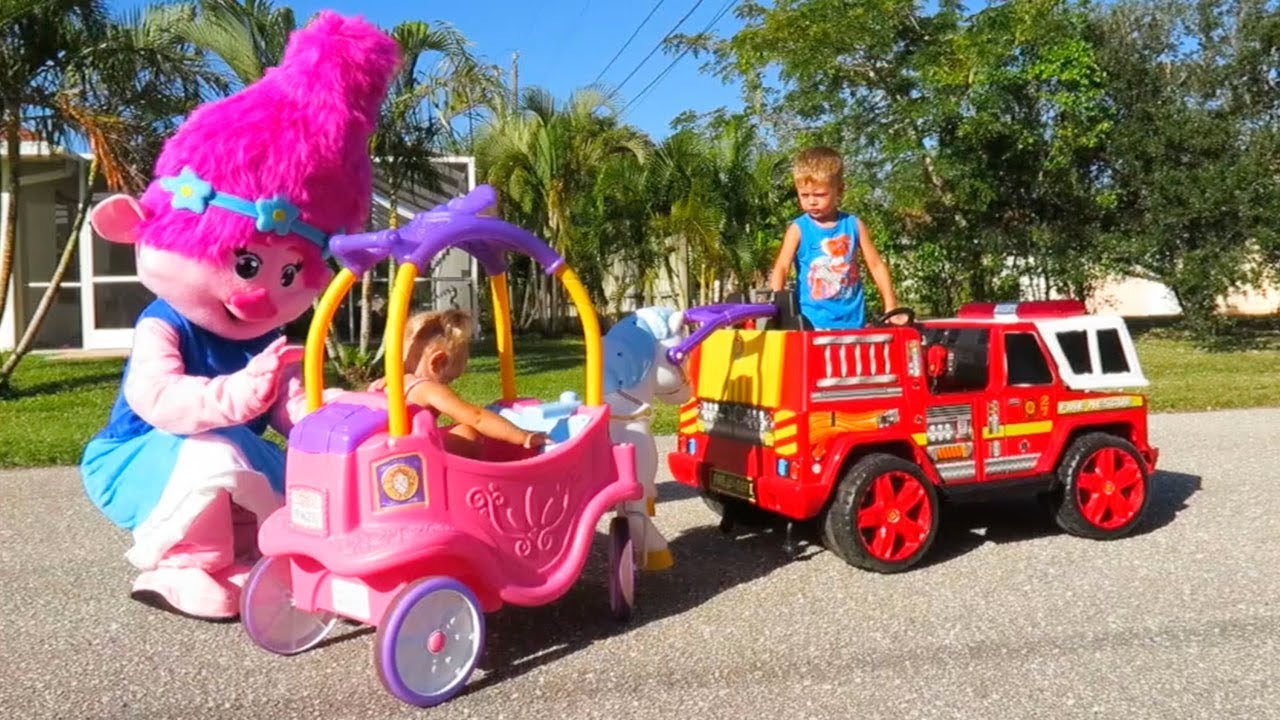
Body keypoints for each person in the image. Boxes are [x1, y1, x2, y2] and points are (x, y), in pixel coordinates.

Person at [370, 309, 547, 457]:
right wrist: (523, 436)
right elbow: (476, 417)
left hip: (379, 455)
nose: (447, 385)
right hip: (409, 461)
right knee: (468, 432)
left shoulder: (383, 384)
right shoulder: (426, 389)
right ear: (437, 362)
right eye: (448, 379)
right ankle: (473, 479)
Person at [768, 146, 903, 330]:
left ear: (839, 191)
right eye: (804, 195)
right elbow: (782, 268)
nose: (812, 201)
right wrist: (778, 308)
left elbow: (876, 265)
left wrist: (891, 305)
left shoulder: (854, 225)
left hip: (853, 322)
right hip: (812, 323)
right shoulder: (798, 229)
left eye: (820, 195)